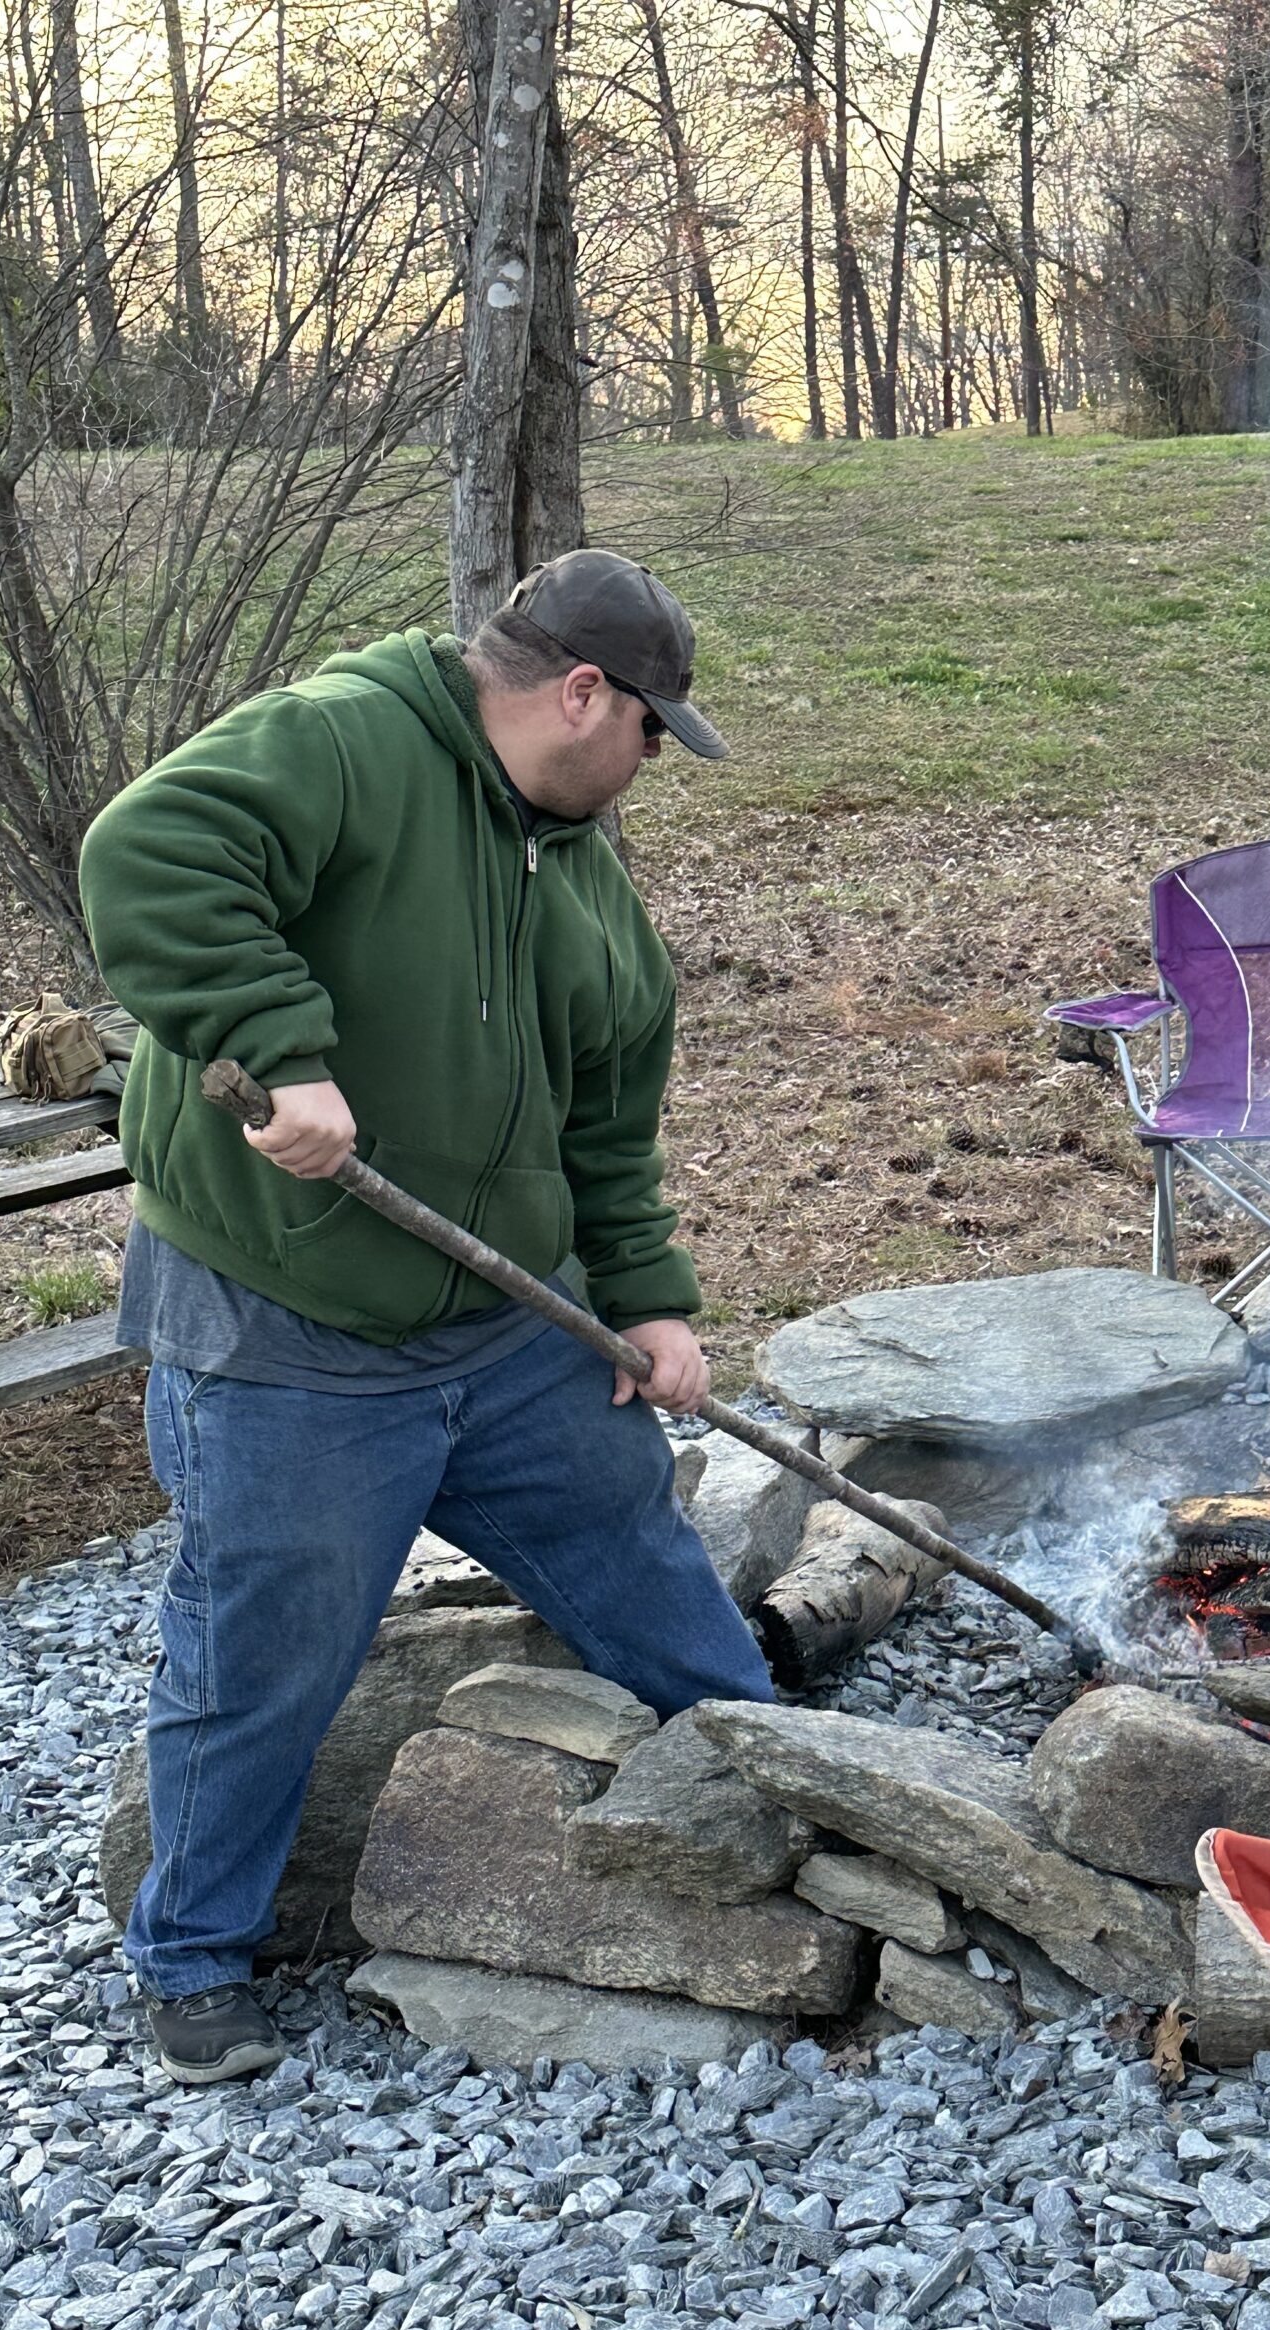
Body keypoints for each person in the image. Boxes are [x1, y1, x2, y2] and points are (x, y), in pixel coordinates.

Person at [79, 550, 777, 2087]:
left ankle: (797, 1794)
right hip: (290, 1321)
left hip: (506, 1330)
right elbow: (150, 851)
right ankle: (189, 1963)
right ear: (579, 694)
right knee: (264, 1651)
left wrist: (650, 1306)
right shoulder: (344, 736)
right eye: (650, 728)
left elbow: (607, 1122)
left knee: (641, 1560)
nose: (652, 762)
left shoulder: (576, 859)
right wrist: (282, 1042)